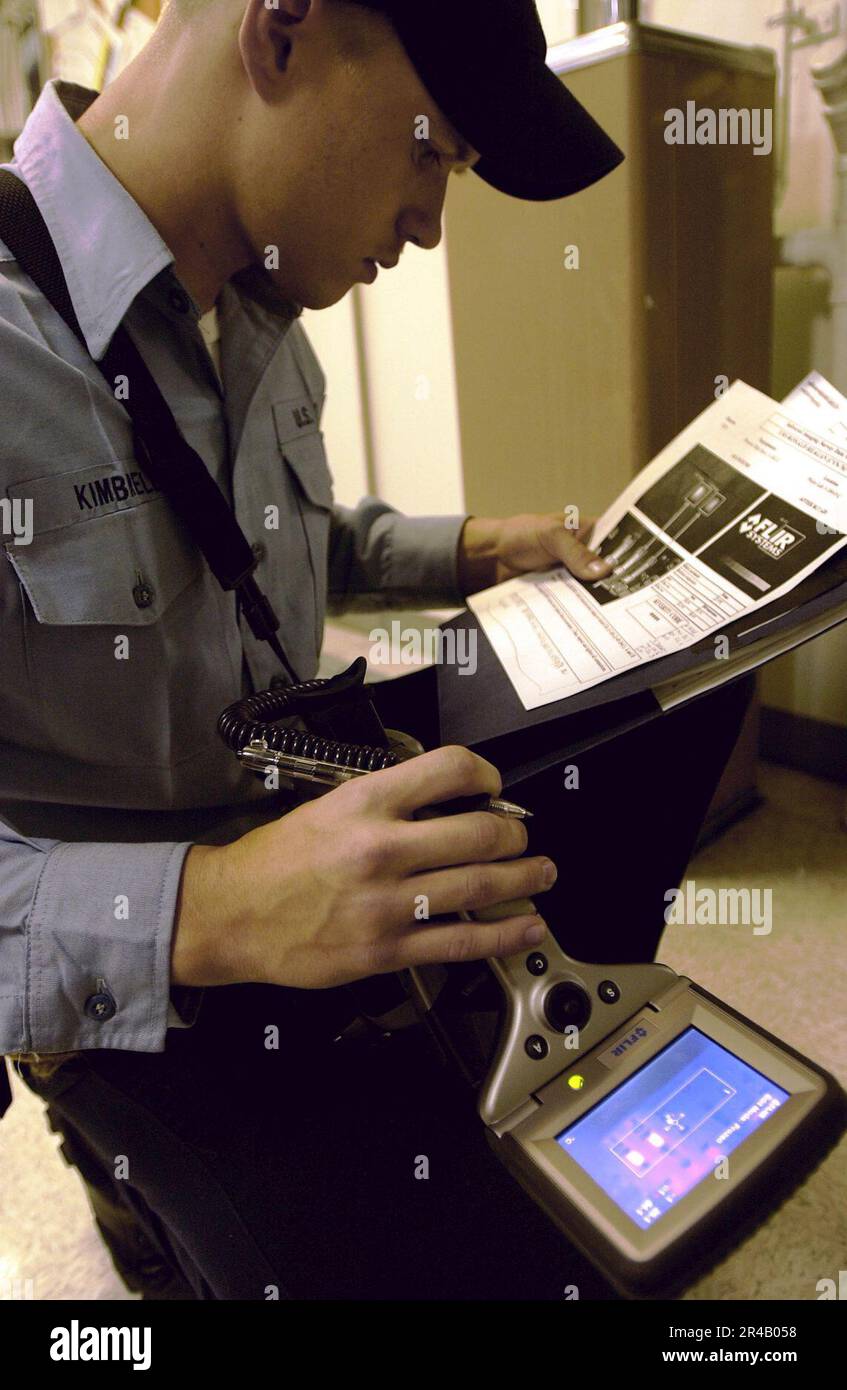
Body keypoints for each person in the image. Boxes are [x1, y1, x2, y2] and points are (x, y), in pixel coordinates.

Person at [0, 0, 753, 1299]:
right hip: (151, 976)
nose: (429, 223)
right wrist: (215, 910)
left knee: (672, 692)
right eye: (431, 153)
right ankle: (130, 1161)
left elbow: (266, 545)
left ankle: (509, 1038)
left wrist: (474, 548)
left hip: (309, 807)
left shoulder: (258, 304)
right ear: (282, 29)